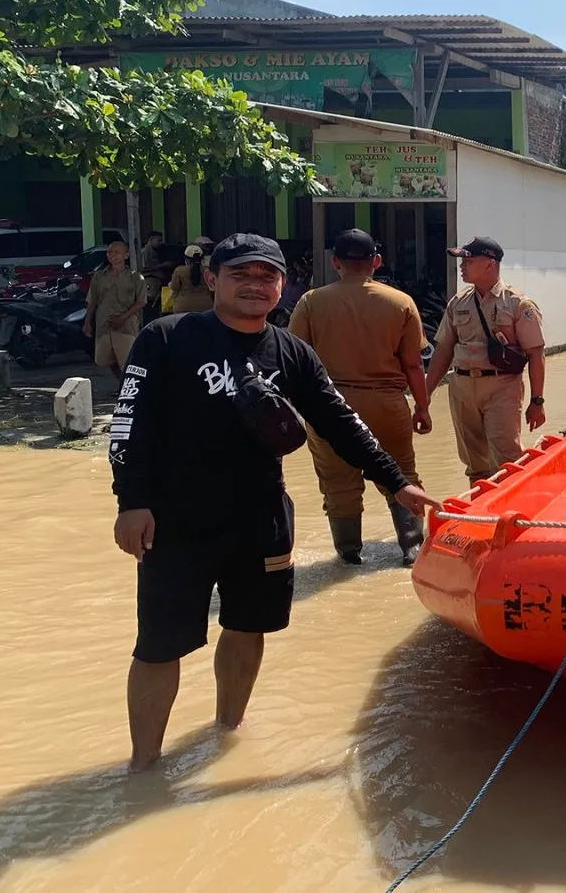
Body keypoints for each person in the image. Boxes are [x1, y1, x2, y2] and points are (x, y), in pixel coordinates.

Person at [108, 233, 439, 773]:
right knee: (159, 645)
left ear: (283, 286)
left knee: (247, 626)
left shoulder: (291, 352)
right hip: (175, 521)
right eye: (241, 274)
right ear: (213, 279)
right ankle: (143, 766)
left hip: (260, 517)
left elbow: (339, 421)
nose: (256, 286)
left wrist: (395, 482)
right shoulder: (165, 339)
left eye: (267, 276)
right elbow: (128, 425)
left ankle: (225, 738)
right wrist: (132, 502)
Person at [289, 229, 431, 566]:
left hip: (329, 407)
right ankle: (412, 548)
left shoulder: (312, 301)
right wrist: (422, 407)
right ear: (376, 262)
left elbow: (294, 358)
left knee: (338, 484)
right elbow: (413, 363)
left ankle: (349, 554)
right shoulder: (400, 302)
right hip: (387, 404)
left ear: (335, 262)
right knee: (401, 473)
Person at [421, 236, 546, 482]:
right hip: (462, 388)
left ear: (490, 264)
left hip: (502, 387)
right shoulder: (458, 303)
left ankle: (509, 514)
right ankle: (481, 515)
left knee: (507, 459)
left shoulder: (517, 303)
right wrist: (424, 395)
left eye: (467, 260)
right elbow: (444, 350)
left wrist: (537, 400)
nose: (461, 266)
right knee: (474, 462)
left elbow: (536, 353)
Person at [84, 239, 145, 379]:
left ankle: (131, 387)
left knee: (128, 361)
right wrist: (87, 322)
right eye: (110, 252)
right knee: (108, 360)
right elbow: (92, 301)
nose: (112, 255)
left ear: (126, 255)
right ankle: (121, 385)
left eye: (117, 252)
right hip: (104, 325)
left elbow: (141, 302)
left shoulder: (135, 277)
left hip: (126, 326)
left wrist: (122, 318)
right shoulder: (99, 276)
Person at [167, 245, 213, 313]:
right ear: (201, 258)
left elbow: (174, 287)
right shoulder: (208, 270)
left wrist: (170, 284)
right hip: (206, 307)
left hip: (183, 306)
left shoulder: (179, 270)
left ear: (186, 259)